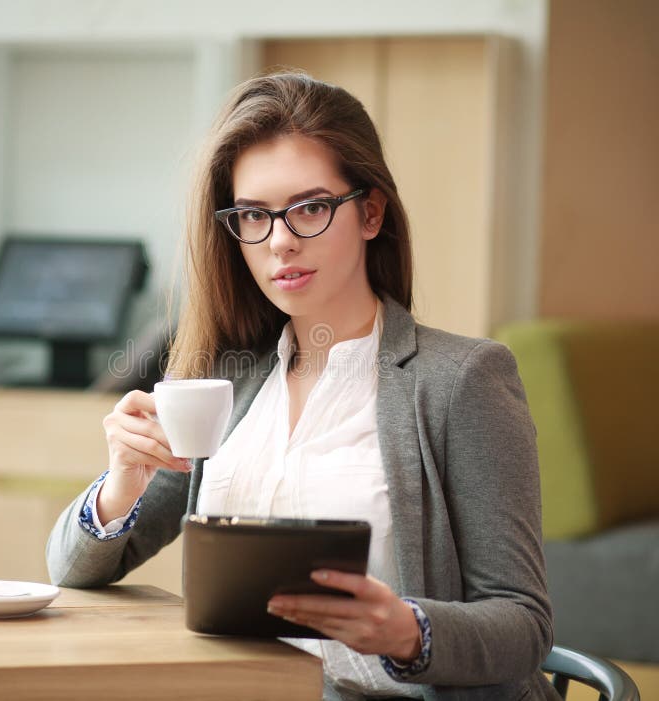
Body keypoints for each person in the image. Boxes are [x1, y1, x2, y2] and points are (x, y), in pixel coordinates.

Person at [47, 71, 559, 701]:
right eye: (254, 216)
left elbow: (523, 624)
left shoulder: (461, 380)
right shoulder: (226, 380)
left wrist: (407, 631)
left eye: (311, 207)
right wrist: (124, 477)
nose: (281, 241)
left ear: (370, 212)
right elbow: (73, 571)